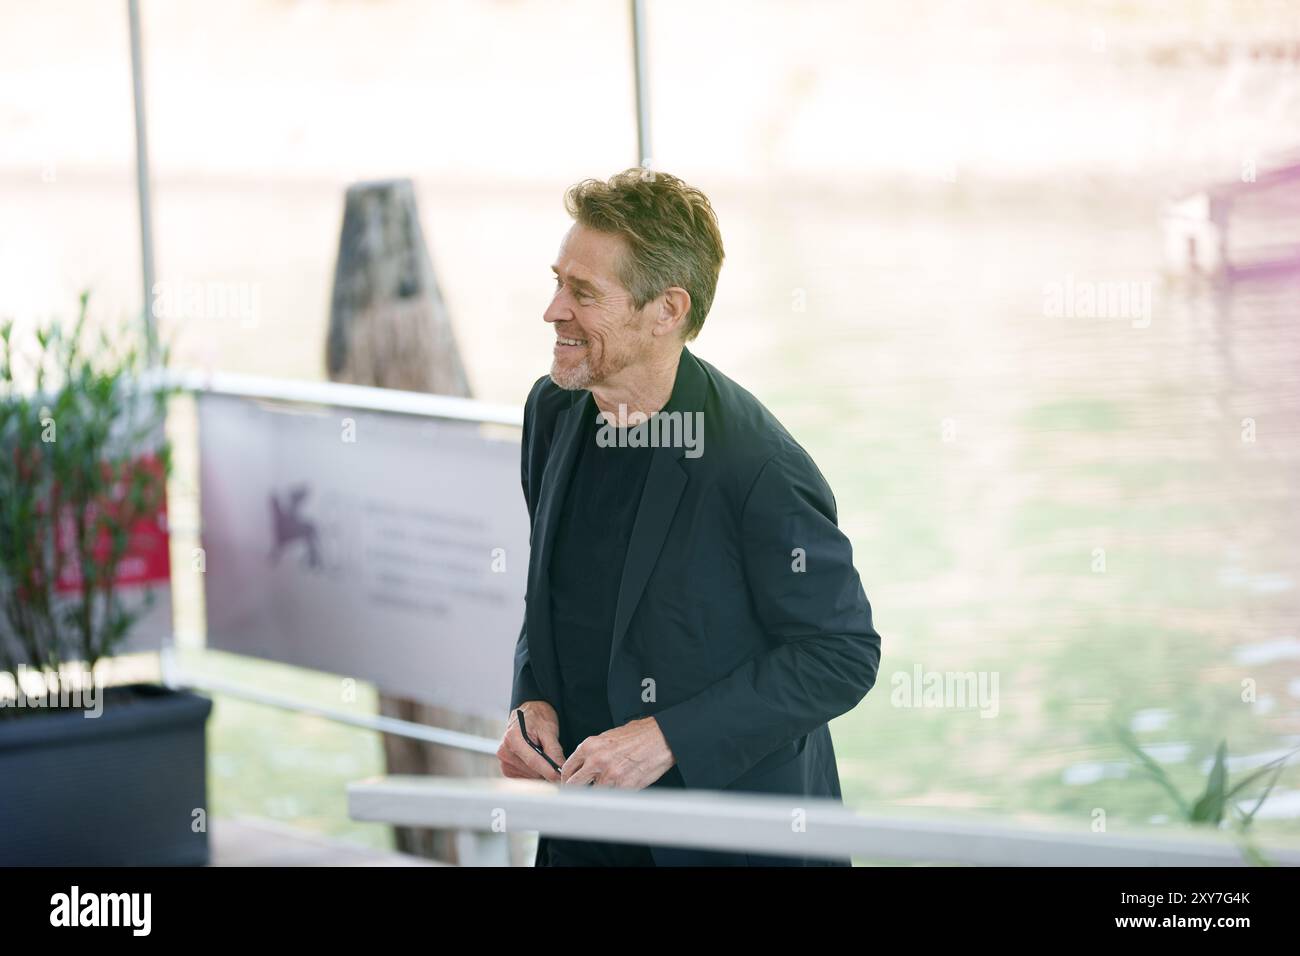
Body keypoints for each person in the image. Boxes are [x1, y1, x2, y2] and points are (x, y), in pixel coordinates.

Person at [495, 168, 882, 866]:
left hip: (727, 844)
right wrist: (532, 700)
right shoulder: (550, 410)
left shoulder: (758, 465)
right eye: (558, 282)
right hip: (582, 832)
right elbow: (549, 599)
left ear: (667, 310)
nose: (553, 309)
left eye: (582, 293)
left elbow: (841, 655)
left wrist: (666, 738)